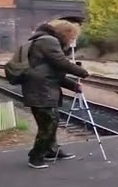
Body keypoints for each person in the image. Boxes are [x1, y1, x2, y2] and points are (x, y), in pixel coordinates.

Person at [20, 19, 91, 169]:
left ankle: (52, 151)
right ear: (65, 33)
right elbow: (61, 63)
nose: (71, 41)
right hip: (41, 91)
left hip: (40, 89)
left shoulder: (41, 40)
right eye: (71, 37)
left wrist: (73, 85)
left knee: (50, 121)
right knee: (49, 124)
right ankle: (36, 156)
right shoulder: (49, 41)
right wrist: (82, 72)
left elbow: (52, 73)